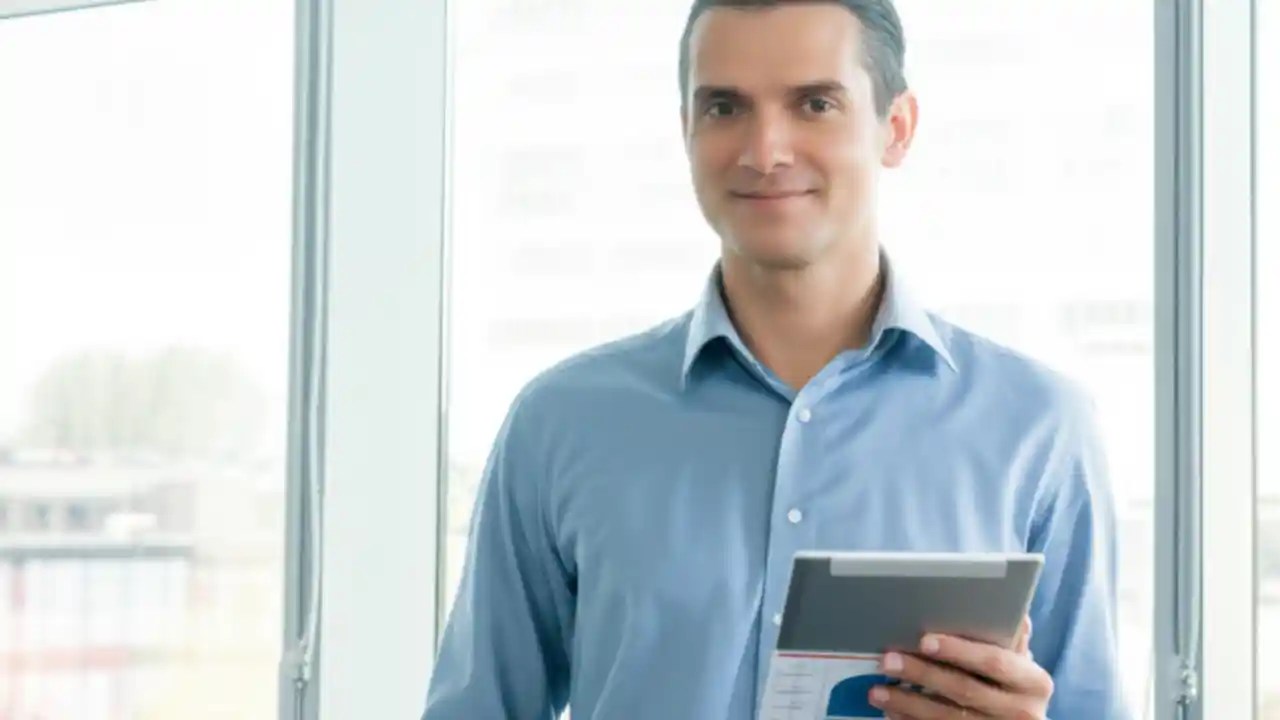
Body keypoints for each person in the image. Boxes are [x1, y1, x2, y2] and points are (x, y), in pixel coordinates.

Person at [423, 1, 1128, 718]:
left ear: (897, 127)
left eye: (815, 104)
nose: (764, 152)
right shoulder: (560, 423)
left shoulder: (1039, 427)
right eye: (724, 107)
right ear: (687, 131)